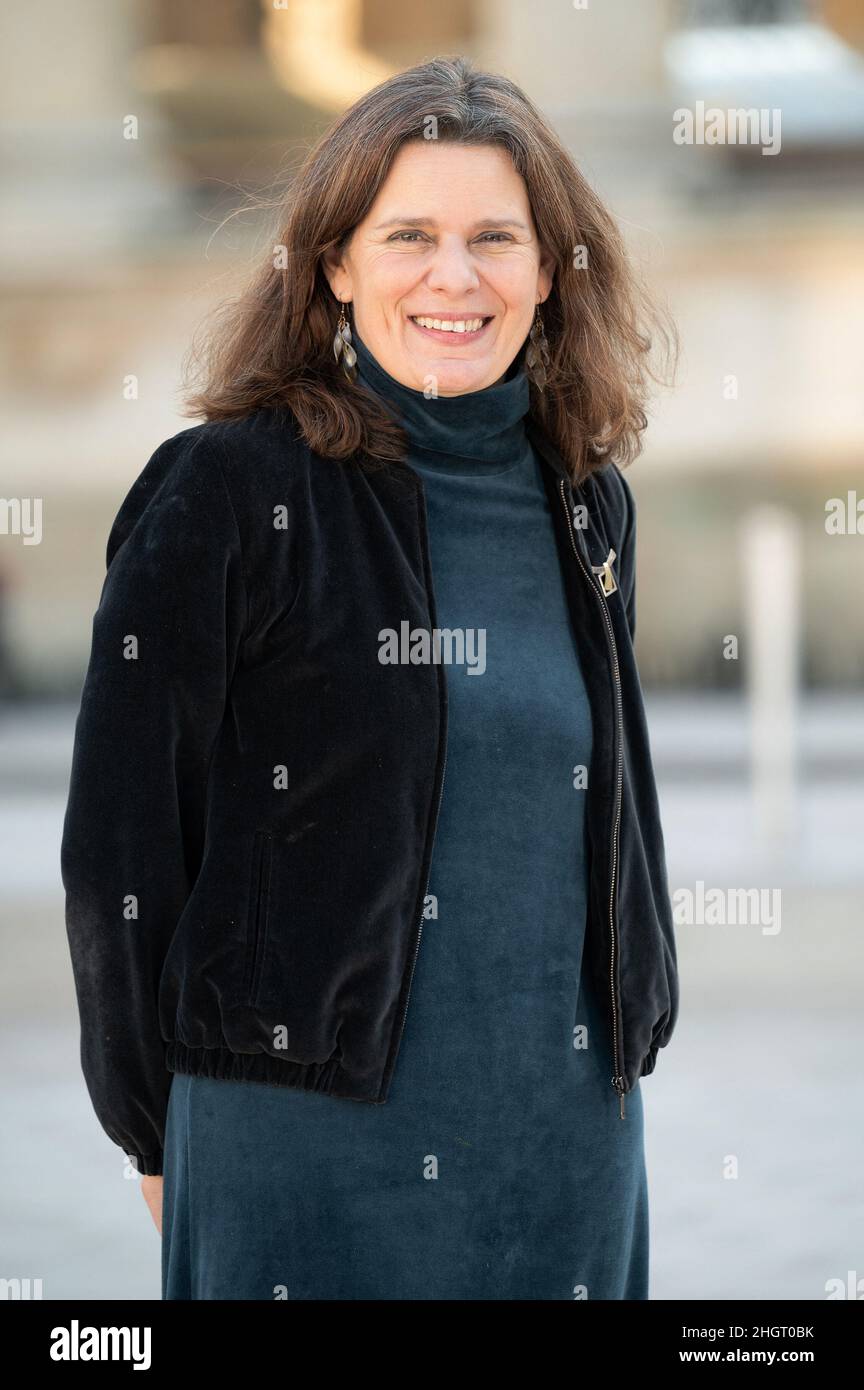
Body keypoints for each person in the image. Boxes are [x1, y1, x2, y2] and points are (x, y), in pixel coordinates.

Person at [61, 54, 679, 1301]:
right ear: (335, 263)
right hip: (301, 1145)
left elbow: (606, 812)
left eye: (495, 238)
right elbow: (124, 846)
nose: (455, 277)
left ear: (551, 273)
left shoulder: (586, 503)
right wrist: (152, 1126)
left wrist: (634, 1027)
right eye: (409, 235)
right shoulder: (228, 490)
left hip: (564, 1142)